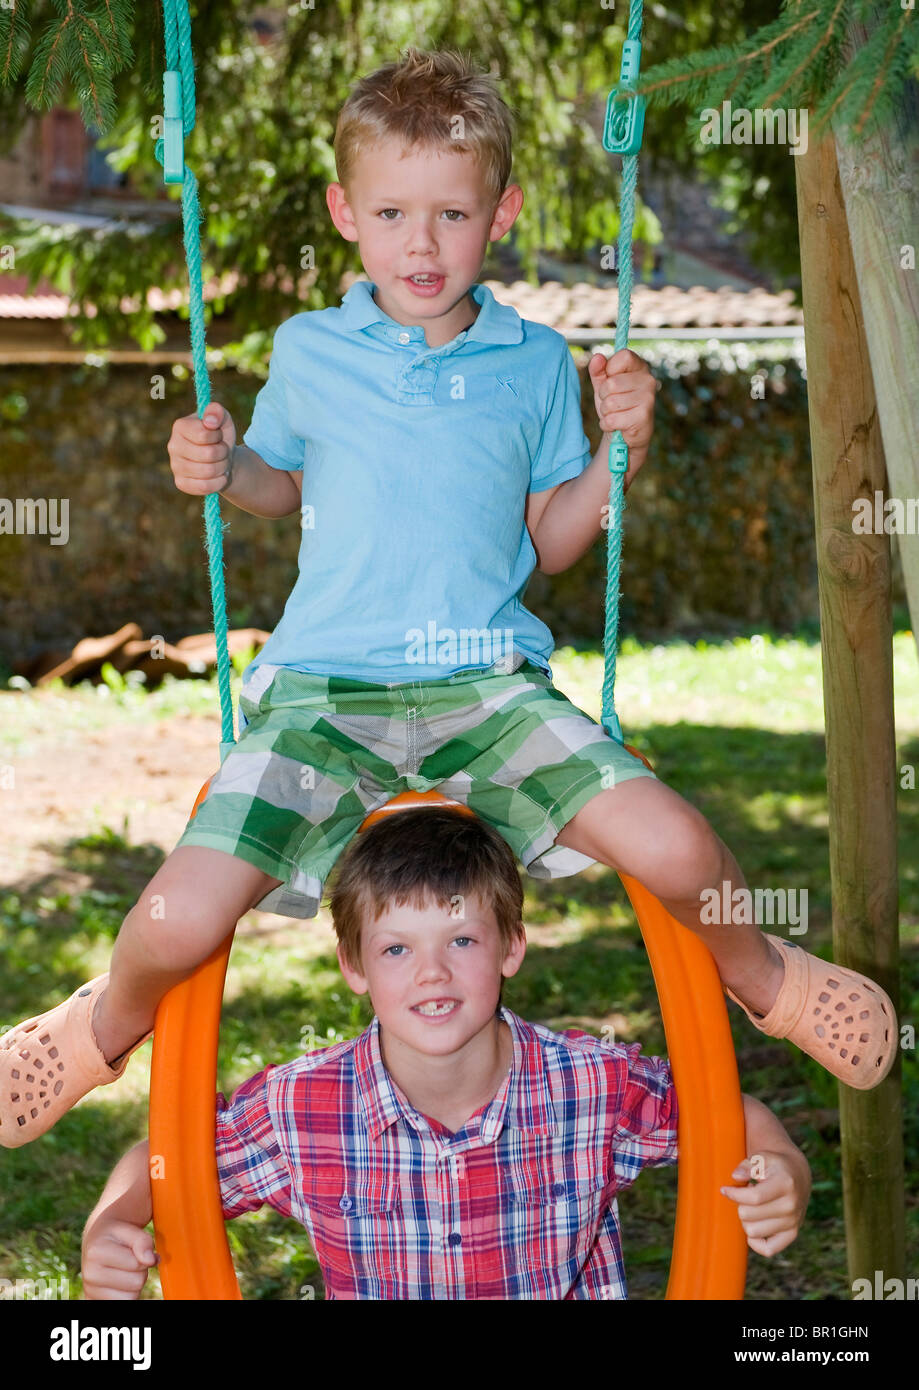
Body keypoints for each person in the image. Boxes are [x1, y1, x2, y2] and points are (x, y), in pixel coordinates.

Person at [0, 46, 895, 1151]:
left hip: (489, 686)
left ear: (502, 212)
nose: (420, 245)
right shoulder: (309, 350)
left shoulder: (532, 363)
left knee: (673, 843)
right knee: (178, 913)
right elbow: (279, 490)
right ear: (344, 211)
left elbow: (551, 543)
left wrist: (624, 450)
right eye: (390, 211)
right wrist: (224, 468)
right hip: (324, 693)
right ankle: (102, 1024)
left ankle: (767, 979)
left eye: (451, 214)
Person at [81, 807, 812, 1301]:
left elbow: (730, 1113)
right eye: (397, 948)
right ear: (353, 965)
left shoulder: (590, 1085)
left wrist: (783, 1169)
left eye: (461, 941)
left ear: (511, 948)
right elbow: (168, 1155)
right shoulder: (299, 1110)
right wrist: (111, 1223)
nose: (432, 974)